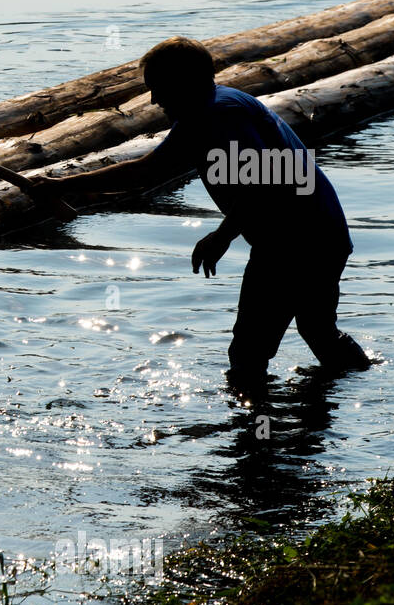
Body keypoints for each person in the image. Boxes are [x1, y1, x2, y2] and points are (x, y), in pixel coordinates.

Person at [48, 36, 370, 396]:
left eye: (159, 89)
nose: (155, 101)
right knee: (318, 331)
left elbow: (262, 183)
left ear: (186, 82)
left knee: (249, 352)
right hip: (322, 234)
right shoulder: (208, 111)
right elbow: (146, 172)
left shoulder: (221, 115)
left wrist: (222, 236)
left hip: (293, 244)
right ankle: (339, 409)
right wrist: (61, 186)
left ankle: (254, 443)